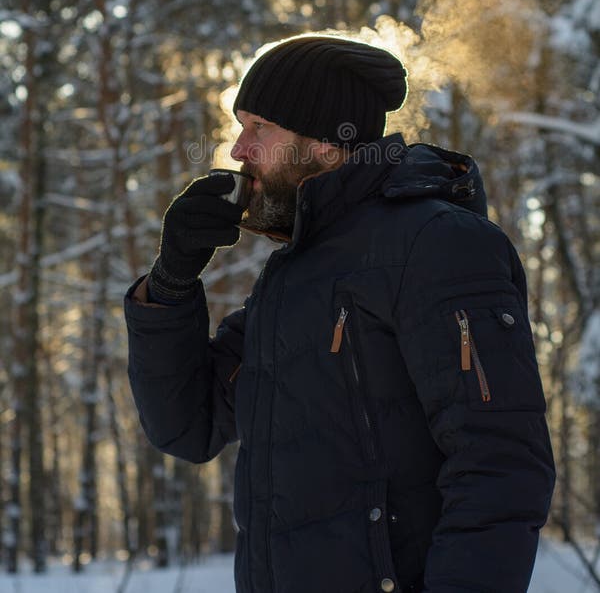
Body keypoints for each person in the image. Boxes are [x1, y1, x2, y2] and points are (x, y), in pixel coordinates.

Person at [125, 34, 555, 593]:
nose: (238, 150)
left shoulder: (437, 246)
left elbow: (501, 467)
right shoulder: (295, 273)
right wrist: (172, 280)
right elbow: (188, 426)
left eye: (260, 128)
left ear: (326, 143)